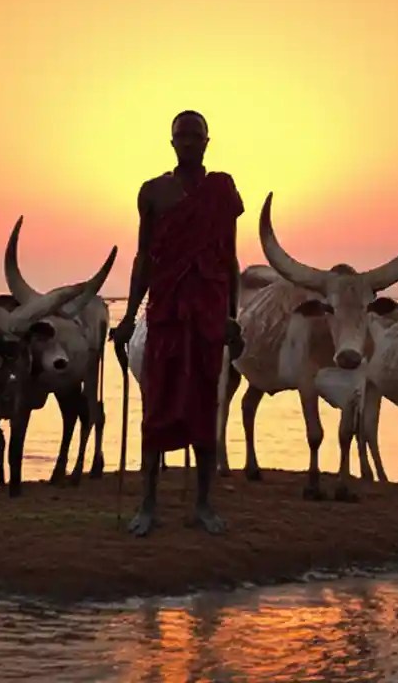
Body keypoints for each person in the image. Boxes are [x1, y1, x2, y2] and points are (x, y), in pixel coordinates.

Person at [110, 110, 244, 536]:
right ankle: (147, 505)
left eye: (195, 136)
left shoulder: (221, 189)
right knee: (157, 407)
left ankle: (203, 505)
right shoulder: (153, 192)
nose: (188, 142)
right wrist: (128, 317)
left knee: (206, 406)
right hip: (166, 313)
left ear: (207, 142)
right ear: (171, 143)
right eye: (181, 137)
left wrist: (231, 318)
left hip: (207, 314)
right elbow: (143, 258)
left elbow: (230, 259)